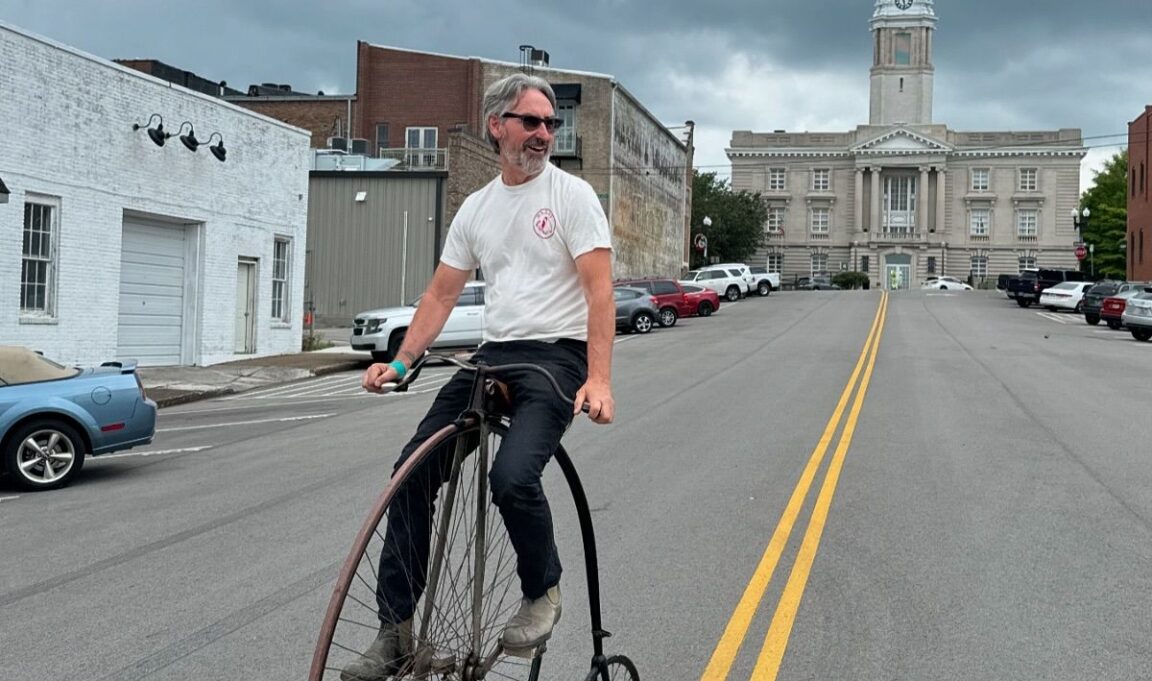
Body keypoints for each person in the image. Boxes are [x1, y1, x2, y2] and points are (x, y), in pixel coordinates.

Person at [341, 73, 615, 681]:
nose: (545, 133)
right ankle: (395, 630)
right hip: (495, 354)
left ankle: (542, 591)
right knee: (410, 473)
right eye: (532, 121)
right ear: (498, 126)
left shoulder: (572, 197)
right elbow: (441, 295)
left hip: (556, 356)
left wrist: (598, 380)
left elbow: (600, 294)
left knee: (512, 475)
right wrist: (402, 362)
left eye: (551, 123)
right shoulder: (477, 207)